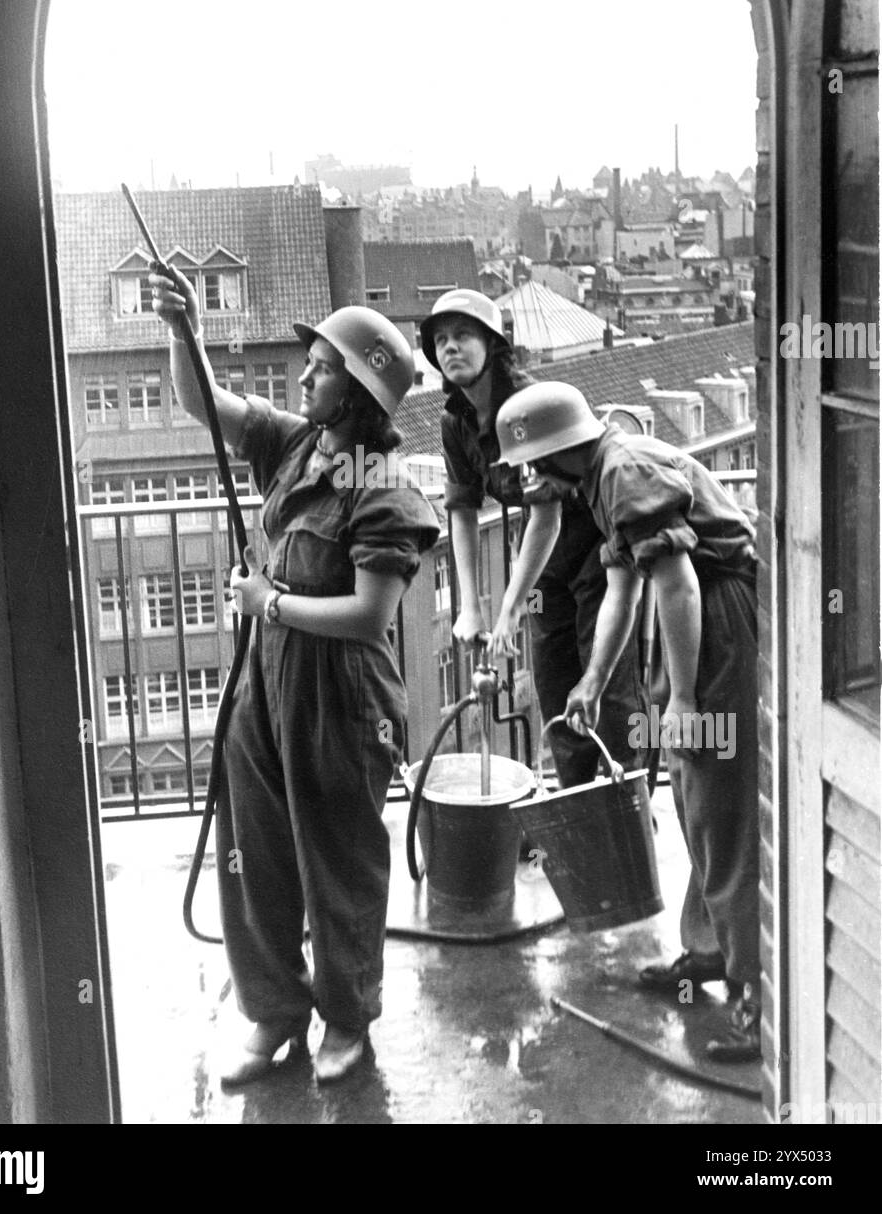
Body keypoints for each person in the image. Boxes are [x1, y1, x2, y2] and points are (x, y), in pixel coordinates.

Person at [154, 273, 440, 1085]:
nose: (302, 376)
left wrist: (268, 603)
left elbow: (368, 616)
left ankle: (346, 1019)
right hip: (266, 685)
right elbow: (206, 405)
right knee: (254, 851)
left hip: (339, 695)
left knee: (338, 860)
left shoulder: (386, 491)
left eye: (319, 367)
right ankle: (274, 1013)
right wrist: (186, 330)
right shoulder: (294, 446)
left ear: (355, 394)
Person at [495, 381, 761, 1061]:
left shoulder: (622, 472)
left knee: (721, 805)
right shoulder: (602, 478)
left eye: (531, 467)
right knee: (694, 798)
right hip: (694, 630)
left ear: (556, 452)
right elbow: (622, 588)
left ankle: (754, 998)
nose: (531, 483)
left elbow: (677, 583)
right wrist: (590, 683)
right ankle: (707, 950)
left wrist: (683, 701)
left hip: (714, 623)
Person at [419, 290, 647, 785]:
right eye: (440, 340)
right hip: (544, 564)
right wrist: (471, 606)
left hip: (594, 547)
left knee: (608, 686)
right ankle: (576, 808)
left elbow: (547, 514)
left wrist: (510, 607)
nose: (449, 348)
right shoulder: (454, 420)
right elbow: (461, 510)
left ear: (493, 345)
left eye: (462, 336)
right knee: (553, 683)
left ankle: (628, 811)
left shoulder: (524, 406)